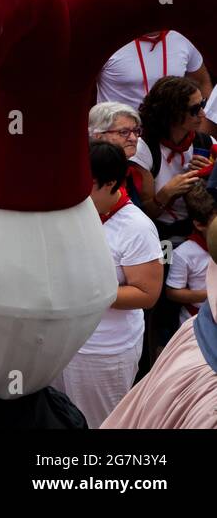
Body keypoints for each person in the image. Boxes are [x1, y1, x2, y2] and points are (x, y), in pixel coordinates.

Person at [53, 140, 162, 428]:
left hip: (103, 351)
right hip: (59, 341)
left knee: (100, 422)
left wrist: (87, 294)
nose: (74, 192)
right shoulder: (70, 210)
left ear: (111, 183)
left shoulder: (136, 228)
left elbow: (147, 294)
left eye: (85, 185)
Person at [137, 76, 210, 231]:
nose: (203, 114)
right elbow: (143, 215)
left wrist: (212, 175)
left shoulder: (206, 143)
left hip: (200, 229)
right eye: (194, 109)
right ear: (171, 113)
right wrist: (166, 193)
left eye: (202, 104)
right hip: (160, 232)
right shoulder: (143, 150)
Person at [164, 183, 213, 317]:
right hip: (197, 320)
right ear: (199, 224)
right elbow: (173, 292)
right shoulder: (183, 253)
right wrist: (211, 294)